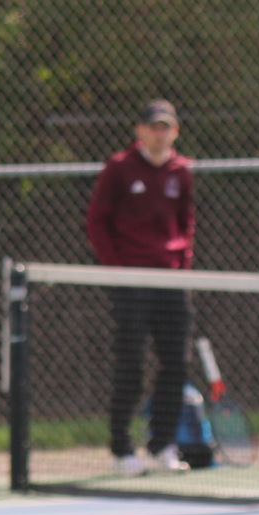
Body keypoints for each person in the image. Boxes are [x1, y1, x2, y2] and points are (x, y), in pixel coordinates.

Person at [84, 98, 197, 475]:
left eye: (166, 127)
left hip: (171, 282)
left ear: (174, 132)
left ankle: (162, 446)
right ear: (140, 131)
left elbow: (186, 222)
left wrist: (181, 266)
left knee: (175, 365)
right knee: (130, 364)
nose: (159, 134)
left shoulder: (181, 171)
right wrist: (118, 271)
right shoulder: (119, 168)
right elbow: (97, 222)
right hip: (130, 283)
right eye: (153, 127)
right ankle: (121, 450)